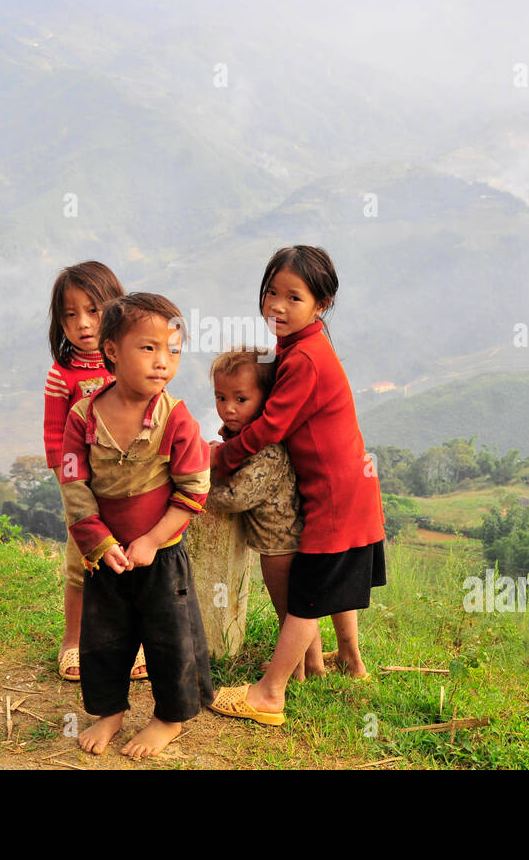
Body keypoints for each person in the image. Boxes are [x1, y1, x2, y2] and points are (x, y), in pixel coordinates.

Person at [208, 246, 386, 726]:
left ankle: (269, 693)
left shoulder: (303, 357)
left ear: (321, 304)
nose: (278, 306)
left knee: (308, 596)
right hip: (351, 490)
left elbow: (269, 427)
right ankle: (351, 663)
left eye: (294, 297)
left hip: (334, 496)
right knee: (335, 585)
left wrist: (216, 458)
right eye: (271, 294)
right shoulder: (301, 347)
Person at [58, 292, 214, 757]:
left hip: (161, 557)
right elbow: (74, 484)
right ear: (111, 351)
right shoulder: (83, 417)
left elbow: (193, 491)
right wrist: (98, 542)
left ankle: (168, 719)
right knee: (103, 638)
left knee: (170, 639)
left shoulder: (176, 419)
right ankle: (110, 712)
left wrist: (151, 540)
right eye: (148, 348)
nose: (163, 362)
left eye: (173, 350)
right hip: (106, 557)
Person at [42, 261, 147, 683]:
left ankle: (133, 643)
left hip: (129, 487)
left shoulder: (126, 366)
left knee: (132, 561)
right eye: (70, 315)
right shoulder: (62, 375)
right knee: (82, 562)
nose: (83, 324)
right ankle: (74, 642)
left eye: (93, 310)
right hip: (83, 489)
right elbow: (54, 438)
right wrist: (71, 490)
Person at [204, 347, 312, 678]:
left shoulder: (266, 450)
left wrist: (199, 489)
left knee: (289, 611)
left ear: (265, 400)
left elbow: (237, 497)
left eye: (240, 399)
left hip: (280, 544)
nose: (228, 409)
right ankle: (312, 665)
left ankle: (296, 669)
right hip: (281, 539)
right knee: (301, 607)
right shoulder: (241, 437)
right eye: (221, 398)